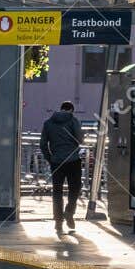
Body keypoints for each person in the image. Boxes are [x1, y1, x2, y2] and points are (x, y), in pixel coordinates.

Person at [40, 100, 85, 235]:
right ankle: (69, 211)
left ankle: (58, 221)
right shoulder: (73, 121)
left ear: (60, 109)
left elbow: (43, 144)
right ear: (71, 110)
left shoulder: (48, 123)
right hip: (73, 160)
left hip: (57, 162)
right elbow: (80, 139)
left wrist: (50, 158)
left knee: (57, 192)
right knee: (75, 188)